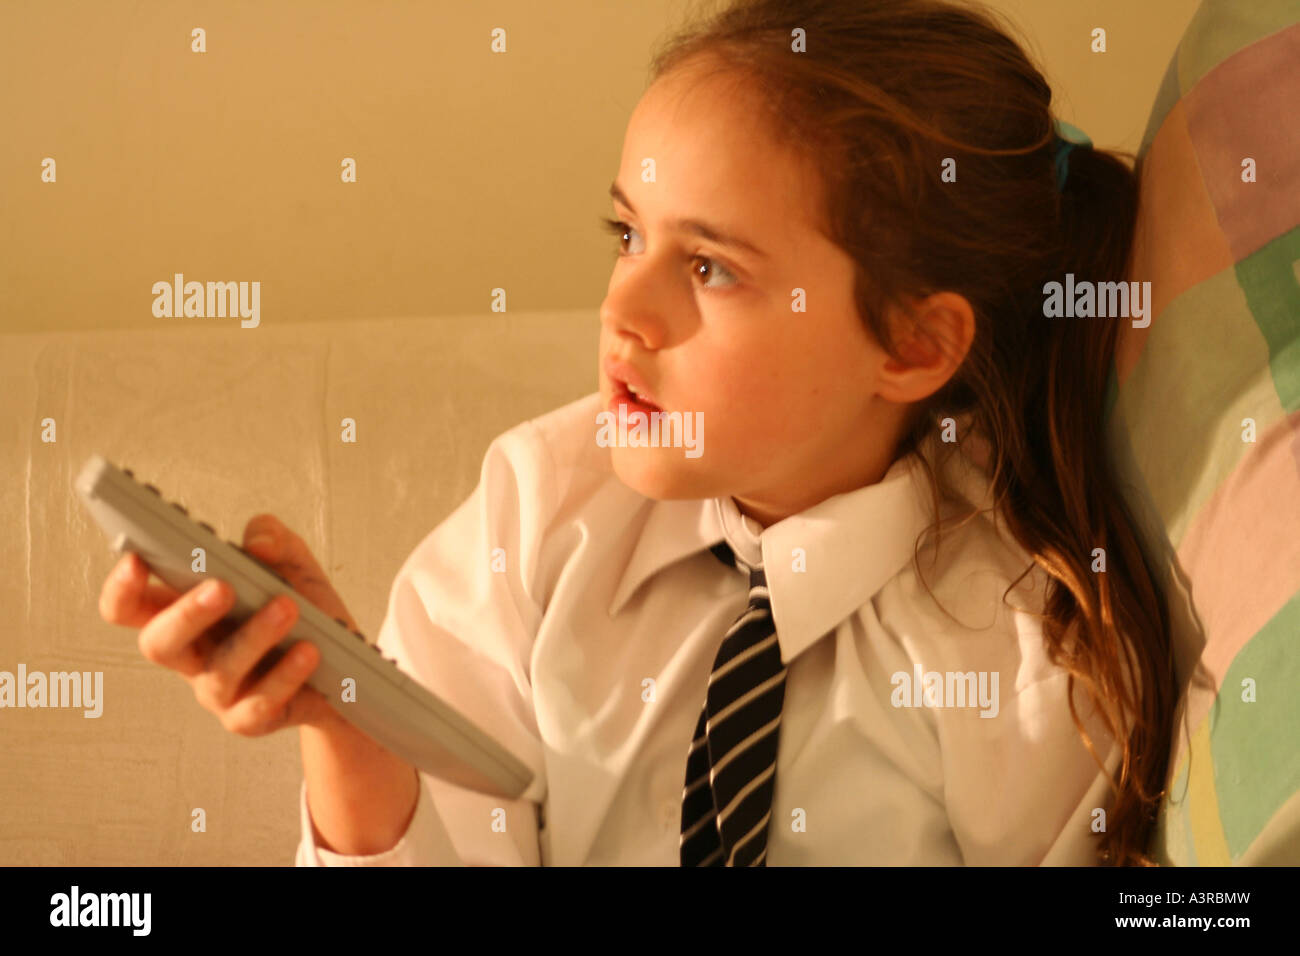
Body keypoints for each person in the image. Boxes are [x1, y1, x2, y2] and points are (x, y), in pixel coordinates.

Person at [99, 0, 1176, 866]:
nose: (624, 309)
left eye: (709, 267)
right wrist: (345, 721)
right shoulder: (535, 511)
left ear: (909, 345)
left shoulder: (1022, 641)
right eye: (627, 233)